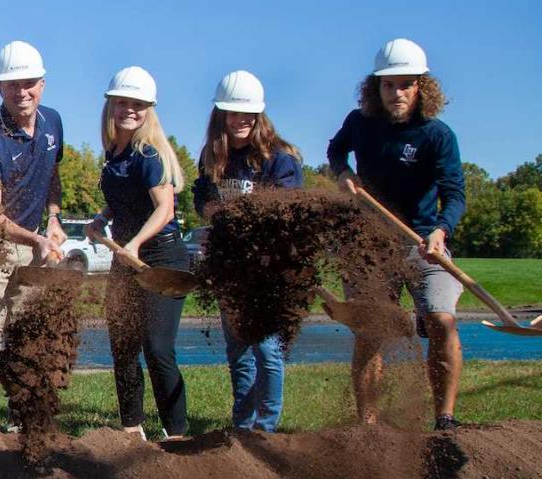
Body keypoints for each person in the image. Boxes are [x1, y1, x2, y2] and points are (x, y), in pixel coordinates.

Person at [326, 38, 466, 430]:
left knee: (440, 321)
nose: (396, 93)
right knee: (371, 329)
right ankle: (368, 425)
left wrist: (441, 231)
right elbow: (335, 151)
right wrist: (344, 173)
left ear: (421, 87)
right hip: (368, 244)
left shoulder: (437, 135)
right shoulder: (360, 123)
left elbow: (454, 194)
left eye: (405, 84)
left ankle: (445, 418)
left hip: (422, 244)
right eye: (388, 85)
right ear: (377, 88)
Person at [192, 70, 302, 432]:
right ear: (221, 115)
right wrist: (211, 220)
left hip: (266, 271)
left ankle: (265, 427)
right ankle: (242, 424)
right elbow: (202, 198)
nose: (239, 121)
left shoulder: (278, 160)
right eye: (232, 113)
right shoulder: (213, 158)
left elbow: (286, 214)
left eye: (247, 114)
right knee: (238, 351)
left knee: (267, 350)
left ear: (258, 116)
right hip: (229, 270)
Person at [0, 40, 67, 431]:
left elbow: (53, 174)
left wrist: (54, 219)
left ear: (42, 84)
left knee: (28, 335)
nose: (22, 92)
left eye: (29, 83)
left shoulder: (53, 122)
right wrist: (37, 241)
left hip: (35, 242)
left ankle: (25, 424)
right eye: (12, 85)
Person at [85, 66, 190, 441]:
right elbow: (122, 201)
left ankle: (176, 433)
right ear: (111, 106)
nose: (129, 110)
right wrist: (100, 219)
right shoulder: (115, 152)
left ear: (149, 109)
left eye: (138, 105)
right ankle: (131, 429)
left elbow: (165, 210)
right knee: (123, 344)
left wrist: (134, 244)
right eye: (122, 103)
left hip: (160, 258)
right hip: (125, 260)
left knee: (157, 347)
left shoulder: (150, 154)